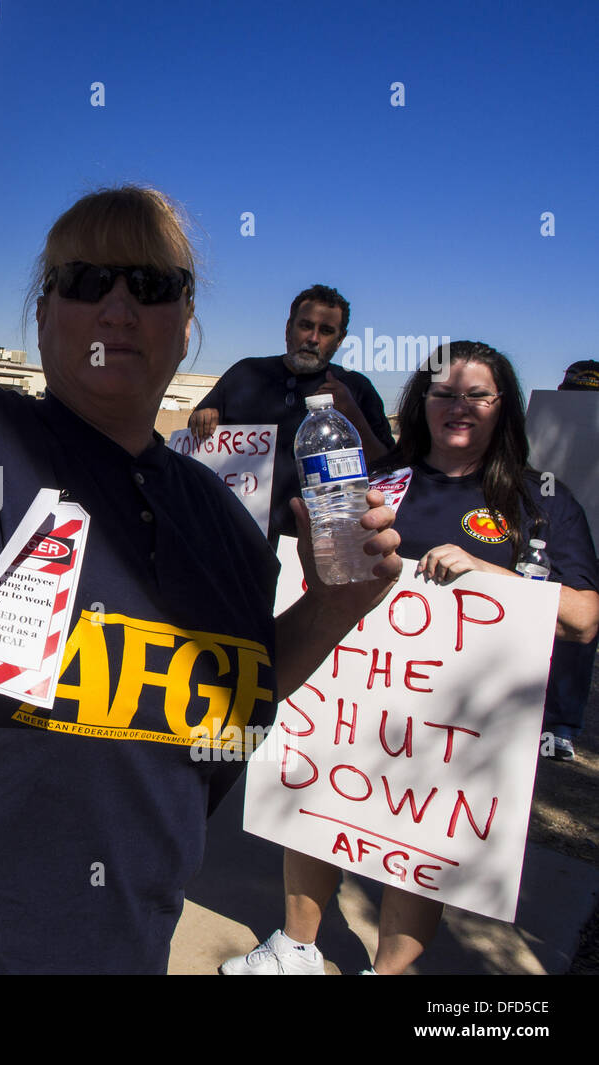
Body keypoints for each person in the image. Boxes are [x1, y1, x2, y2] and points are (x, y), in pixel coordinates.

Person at [0, 186, 404, 974]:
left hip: (130, 946)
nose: (117, 309)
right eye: (84, 281)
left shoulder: (223, 521)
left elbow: (224, 712)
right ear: (43, 314)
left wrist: (331, 609)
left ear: (185, 327)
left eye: (149, 286)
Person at [222, 341, 599, 975]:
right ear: (420, 402)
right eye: (444, 392)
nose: (460, 406)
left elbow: (585, 618)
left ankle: (389, 972)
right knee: (319, 811)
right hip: (350, 703)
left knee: (420, 847)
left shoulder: (540, 499)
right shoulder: (376, 478)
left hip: (454, 725)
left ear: (502, 406)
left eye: (478, 394)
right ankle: (295, 948)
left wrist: (487, 574)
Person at [187, 285, 395, 540]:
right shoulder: (245, 374)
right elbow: (197, 432)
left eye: (327, 331)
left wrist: (352, 415)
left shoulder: (356, 389)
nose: (313, 338)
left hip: (318, 546)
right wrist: (203, 417)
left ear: (340, 340)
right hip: (232, 536)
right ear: (288, 329)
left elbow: (388, 470)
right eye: (306, 326)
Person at [542, 359, 599, 759]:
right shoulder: (545, 428)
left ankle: (560, 725)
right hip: (554, 541)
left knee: (580, 635)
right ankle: (554, 724)